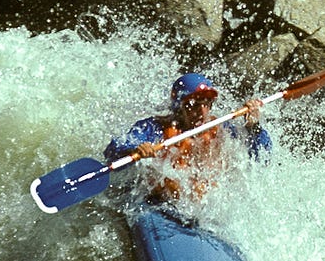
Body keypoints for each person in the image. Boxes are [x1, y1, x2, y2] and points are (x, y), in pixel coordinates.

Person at [104, 72, 270, 204]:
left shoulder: (222, 129)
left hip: (204, 207)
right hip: (160, 202)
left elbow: (262, 158)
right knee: (168, 185)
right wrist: (135, 149)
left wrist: (253, 127)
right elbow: (113, 151)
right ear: (179, 106)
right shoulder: (155, 128)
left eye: (207, 104)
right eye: (195, 105)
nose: (203, 111)